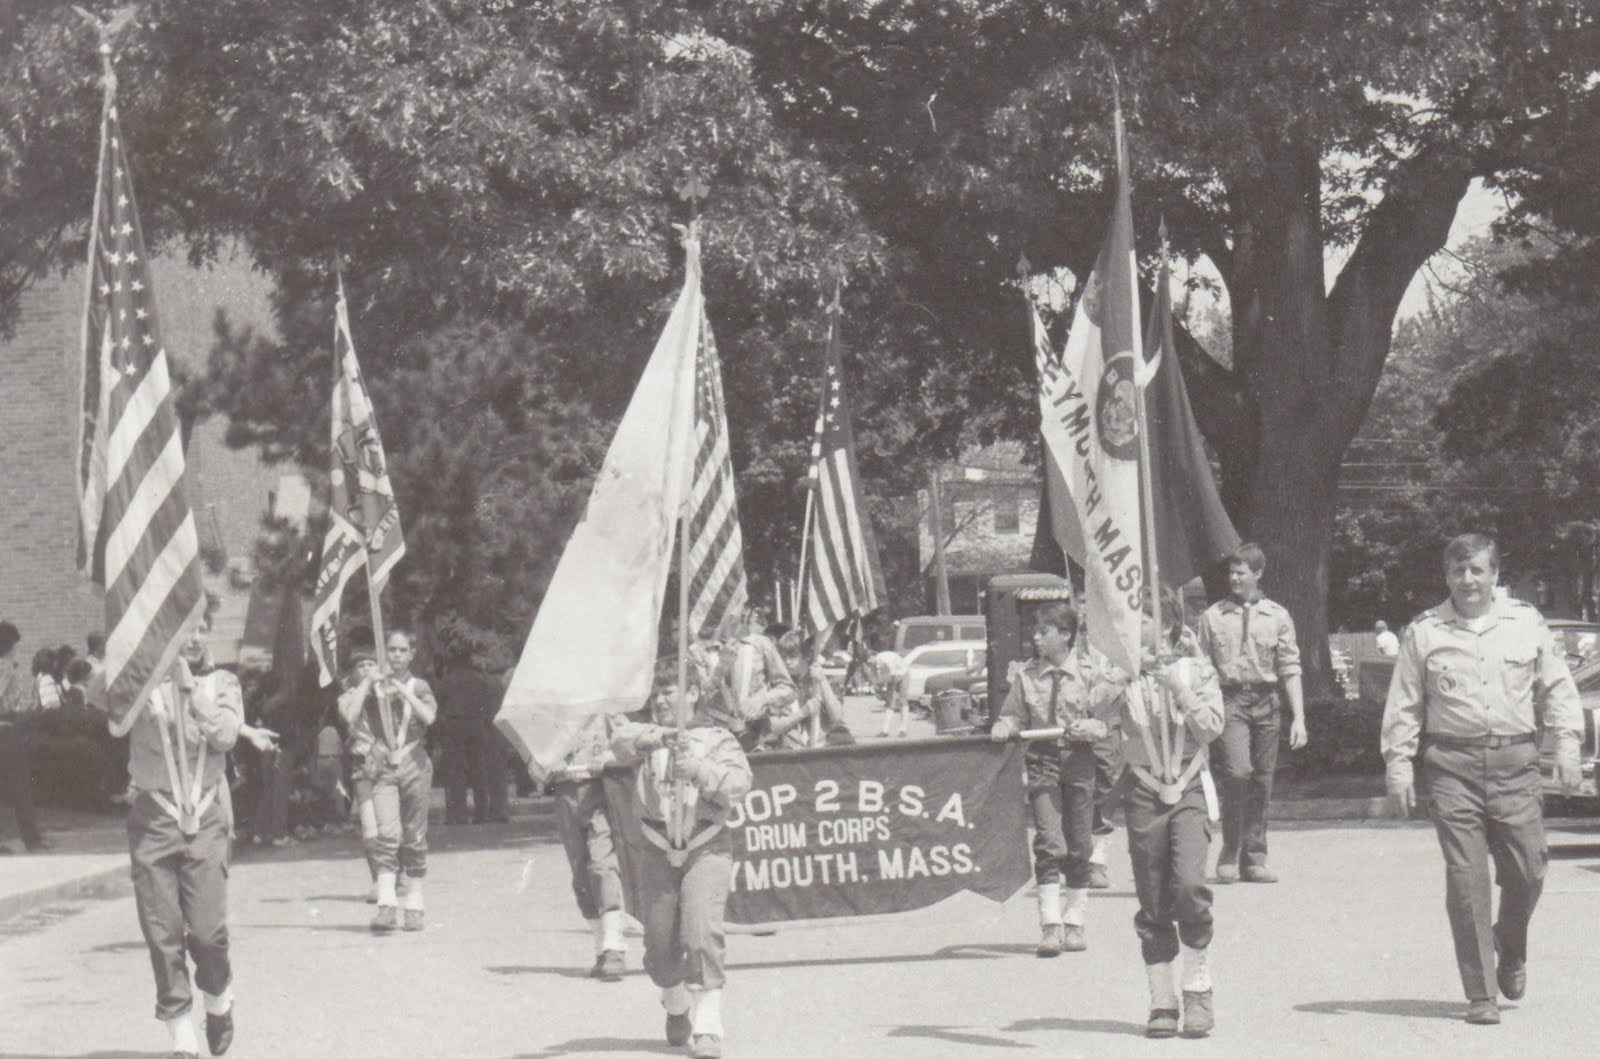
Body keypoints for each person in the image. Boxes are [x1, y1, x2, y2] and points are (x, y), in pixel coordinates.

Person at [1382, 533, 1581, 1026]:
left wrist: (1569, 745)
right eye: (1458, 571)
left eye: (1477, 570)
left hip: (1516, 763)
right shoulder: (1425, 632)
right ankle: (1481, 992)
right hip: (1451, 767)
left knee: (1530, 870)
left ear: (1495, 574)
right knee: (1466, 880)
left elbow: (1556, 686)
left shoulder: (1526, 624)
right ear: (1446, 575)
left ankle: (1509, 945)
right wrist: (1398, 763)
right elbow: (1405, 702)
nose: (1467, 580)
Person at [112, 619, 243, 1058]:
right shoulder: (139, 683)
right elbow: (104, 703)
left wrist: (188, 692)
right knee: (161, 931)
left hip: (204, 815)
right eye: (182, 627)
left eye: (200, 627)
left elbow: (225, 736)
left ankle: (219, 999)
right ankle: (181, 1031)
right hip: (155, 816)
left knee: (206, 933)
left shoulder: (222, 682)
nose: (192, 636)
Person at [610, 658, 752, 1059]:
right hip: (658, 847)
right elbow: (620, 743)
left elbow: (740, 783)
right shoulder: (648, 737)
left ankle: (708, 1025)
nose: (659, 700)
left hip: (705, 845)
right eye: (655, 694)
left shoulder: (717, 737)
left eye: (668, 691)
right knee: (658, 945)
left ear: (691, 694)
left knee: (701, 931)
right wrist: (659, 737)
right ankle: (675, 1003)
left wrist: (702, 770)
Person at [1115, 602, 1224, 1038]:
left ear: (1169, 625)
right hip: (1144, 788)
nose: (1137, 625)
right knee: (1153, 893)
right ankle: (1162, 1000)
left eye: (1144, 617)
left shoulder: (1197, 671)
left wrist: (1180, 688)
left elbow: (1212, 727)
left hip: (1189, 784)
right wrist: (1126, 672)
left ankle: (1198, 988)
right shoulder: (1121, 673)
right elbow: (1092, 705)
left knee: (1190, 884)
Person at [990, 602, 1120, 956]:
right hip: (1043, 761)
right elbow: (1013, 715)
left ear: (1064, 635)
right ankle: (1050, 924)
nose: (1035, 637)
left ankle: (1075, 921)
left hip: (1079, 761)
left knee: (1079, 845)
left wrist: (1088, 728)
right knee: (1050, 842)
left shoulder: (1089, 674)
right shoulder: (1027, 675)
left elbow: (1104, 722)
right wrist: (1005, 726)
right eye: (1034, 631)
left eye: (1042, 632)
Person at [1197, 542, 1307, 884]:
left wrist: (1299, 717)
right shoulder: (1212, 617)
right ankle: (1230, 850)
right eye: (1231, 572)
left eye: (1241, 572)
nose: (1234, 578)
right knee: (1238, 772)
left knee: (1262, 780)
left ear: (1258, 574)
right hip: (1230, 701)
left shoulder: (1277, 615)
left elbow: (1290, 667)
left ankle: (1254, 858)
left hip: (1267, 702)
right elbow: (1200, 667)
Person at [339, 629, 437, 932]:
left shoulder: (419, 685)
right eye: (391, 650)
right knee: (387, 833)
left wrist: (403, 691)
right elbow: (350, 715)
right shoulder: (373, 688)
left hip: (414, 764)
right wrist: (369, 681)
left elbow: (429, 718)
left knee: (414, 834)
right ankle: (386, 904)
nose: (395, 655)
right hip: (382, 766)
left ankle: (415, 904)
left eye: (401, 650)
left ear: (411, 654)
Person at [547, 710, 628, 979]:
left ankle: (614, 944)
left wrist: (610, 757)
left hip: (598, 790)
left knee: (602, 863)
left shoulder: (605, 708)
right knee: (580, 873)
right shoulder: (549, 713)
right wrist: (544, 765)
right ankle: (599, 944)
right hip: (565, 792)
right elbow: (536, 760)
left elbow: (628, 741)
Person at [434, 650, 507, 824]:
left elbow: (439, 703)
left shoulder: (448, 680)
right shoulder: (481, 679)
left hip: (454, 725)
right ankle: (481, 812)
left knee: (455, 770)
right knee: (478, 768)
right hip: (477, 725)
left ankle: (457, 814)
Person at [708, 606, 795, 750]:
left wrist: (762, 699)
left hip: (757, 733)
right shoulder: (702, 649)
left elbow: (788, 689)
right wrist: (722, 666)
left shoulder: (761, 644)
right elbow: (699, 695)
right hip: (717, 736)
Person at [0, 621, 45, 853]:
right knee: (20, 786)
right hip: (6, 731)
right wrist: (19, 711)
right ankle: (32, 840)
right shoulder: (5, 666)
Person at [869, 645, 910, 738]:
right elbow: (880, 678)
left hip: (902, 673)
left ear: (872, 656)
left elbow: (892, 671)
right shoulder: (876, 664)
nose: (869, 662)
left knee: (902, 700)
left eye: (869, 659)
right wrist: (880, 687)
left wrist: (887, 686)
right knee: (890, 702)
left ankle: (903, 730)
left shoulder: (882, 658)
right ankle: (885, 730)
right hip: (893, 676)